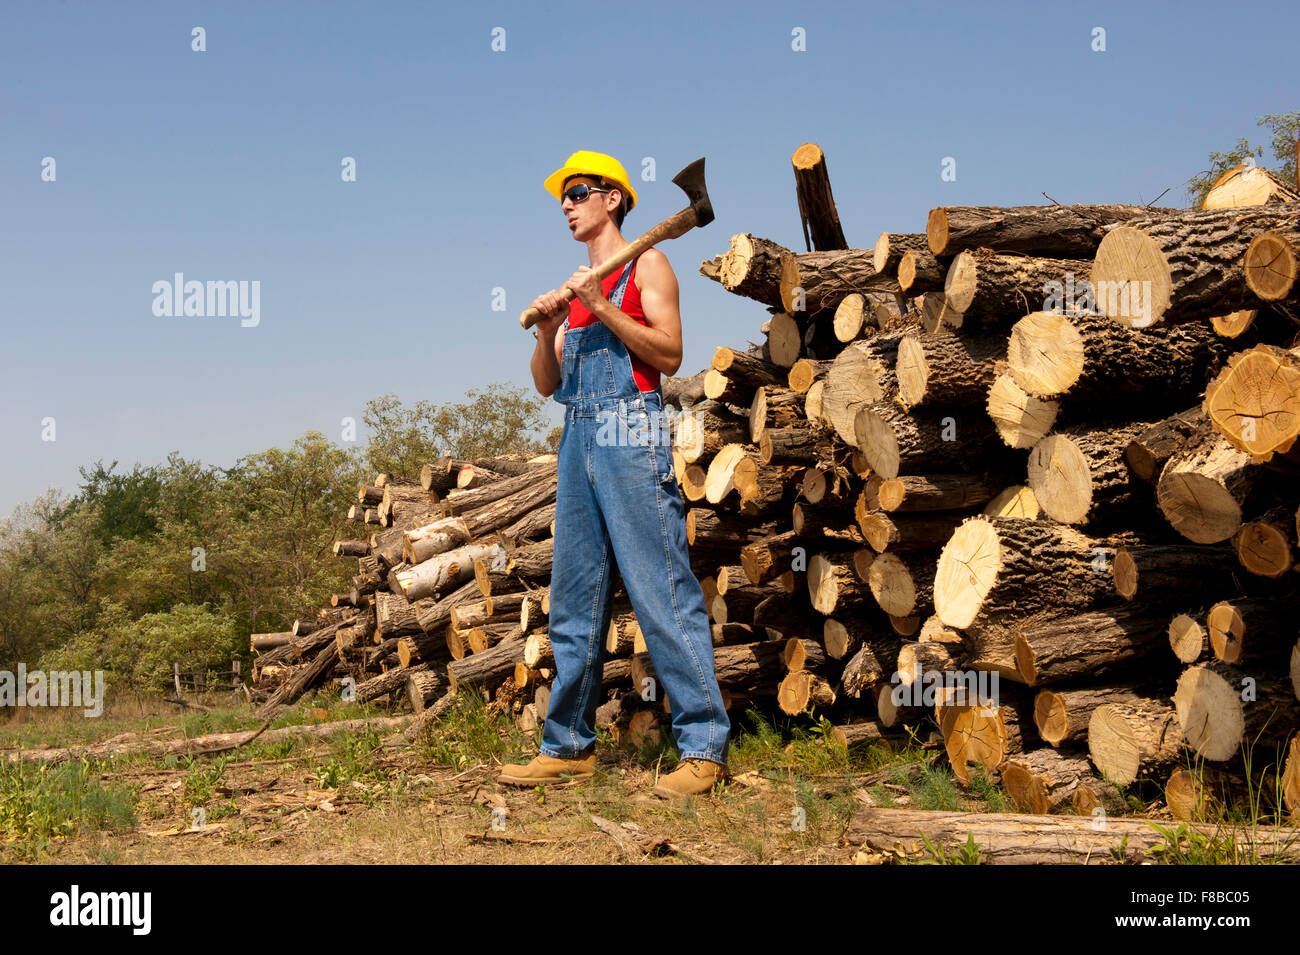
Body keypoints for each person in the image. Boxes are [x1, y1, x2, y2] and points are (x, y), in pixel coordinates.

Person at [497, 150, 730, 799]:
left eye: (577, 192)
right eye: (562, 197)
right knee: (573, 596)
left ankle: (705, 745)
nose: (567, 204)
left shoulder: (647, 263)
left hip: (630, 424)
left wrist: (601, 306)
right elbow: (548, 386)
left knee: (659, 585)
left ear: (614, 199)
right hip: (577, 433)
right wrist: (547, 334)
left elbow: (670, 350)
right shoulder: (575, 291)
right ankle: (567, 745)